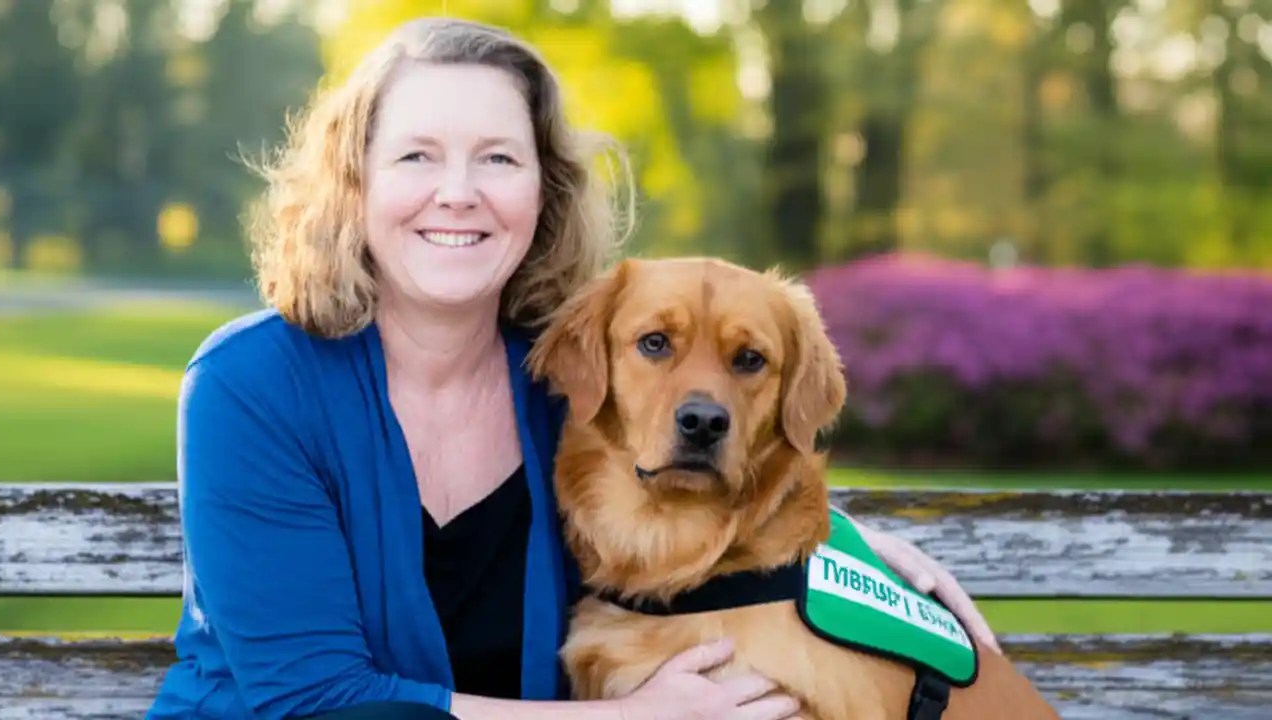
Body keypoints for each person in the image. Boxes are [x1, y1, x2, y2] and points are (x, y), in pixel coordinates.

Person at [146, 16, 999, 720]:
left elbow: (699, 459)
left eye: (498, 158)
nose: (458, 191)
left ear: (543, 194)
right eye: (416, 156)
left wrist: (845, 548)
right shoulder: (251, 388)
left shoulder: (572, 384)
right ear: (353, 183)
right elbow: (311, 701)